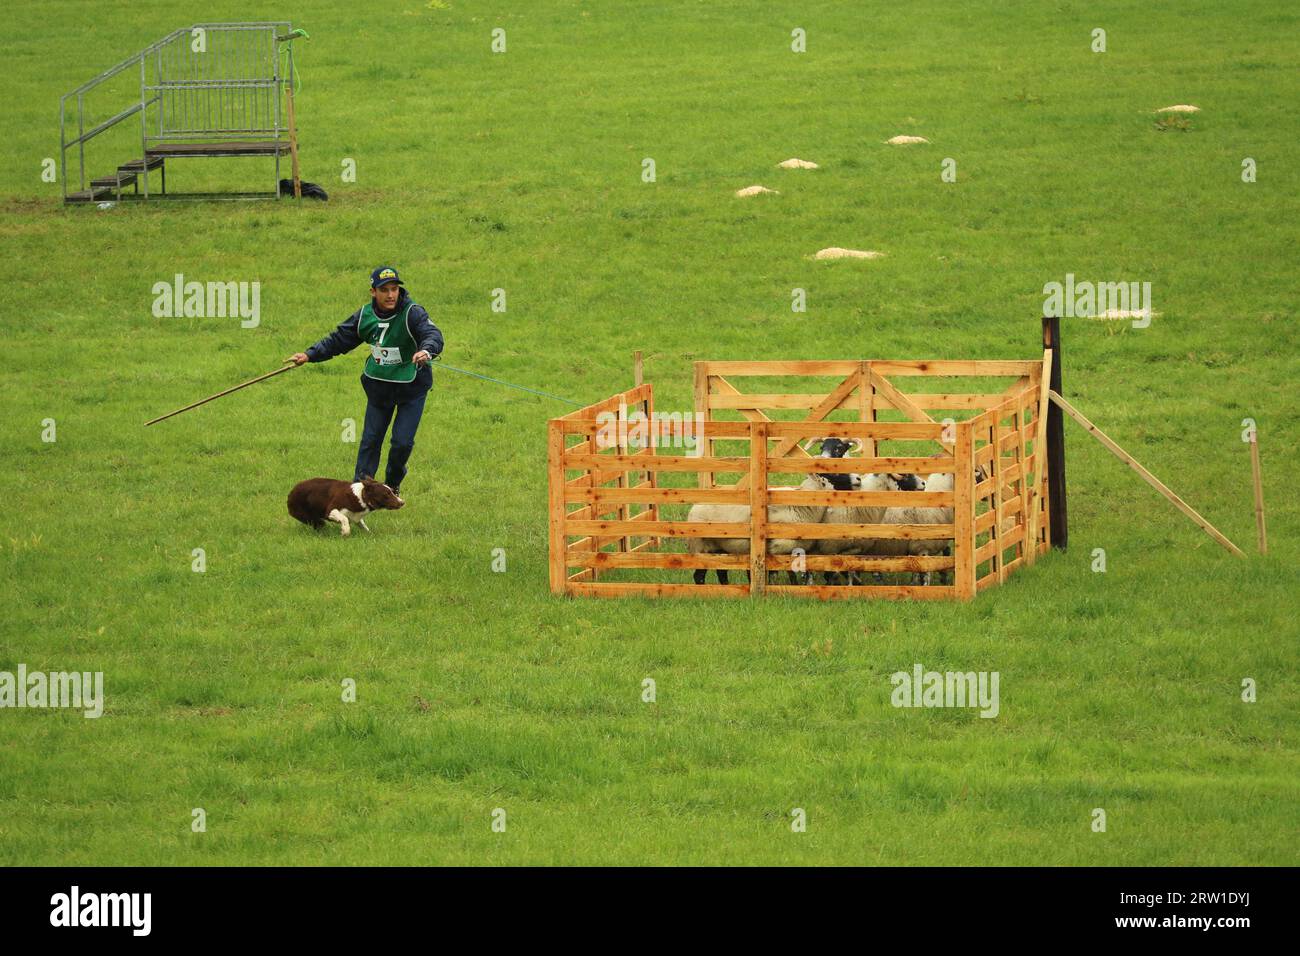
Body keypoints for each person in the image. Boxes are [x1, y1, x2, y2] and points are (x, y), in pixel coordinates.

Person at [288, 266, 444, 494]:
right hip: (379, 388)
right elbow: (339, 340)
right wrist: (310, 355)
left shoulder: (413, 313)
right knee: (371, 441)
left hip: (411, 389)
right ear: (373, 292)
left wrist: (426, 351)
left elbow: (432, 334)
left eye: (394, 289)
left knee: (402, 443)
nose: (391, 295)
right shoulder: (364, 316)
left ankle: (391, 486)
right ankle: (360, 491)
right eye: (384, 290)